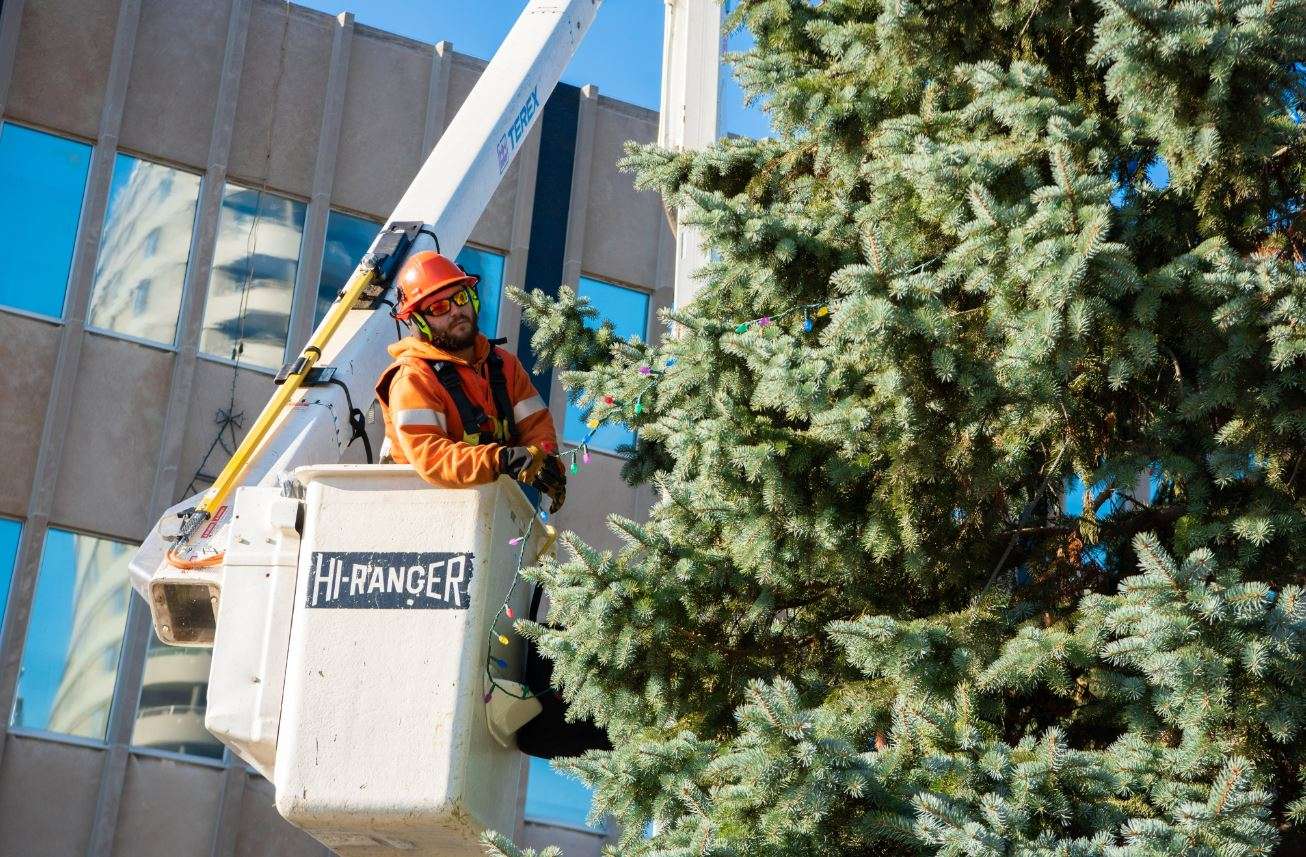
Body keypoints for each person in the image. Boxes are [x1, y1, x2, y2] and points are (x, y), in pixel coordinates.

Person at [374, 250, 566, 512]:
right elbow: (432, 457)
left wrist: (545, 461)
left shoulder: (504, 366)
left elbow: (536, 424)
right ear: (418, 321)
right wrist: (501, 459)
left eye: (460, 297)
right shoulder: (413, 378)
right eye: (439, 307)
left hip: (482, 511)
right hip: (416, 511)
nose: (455, 311)